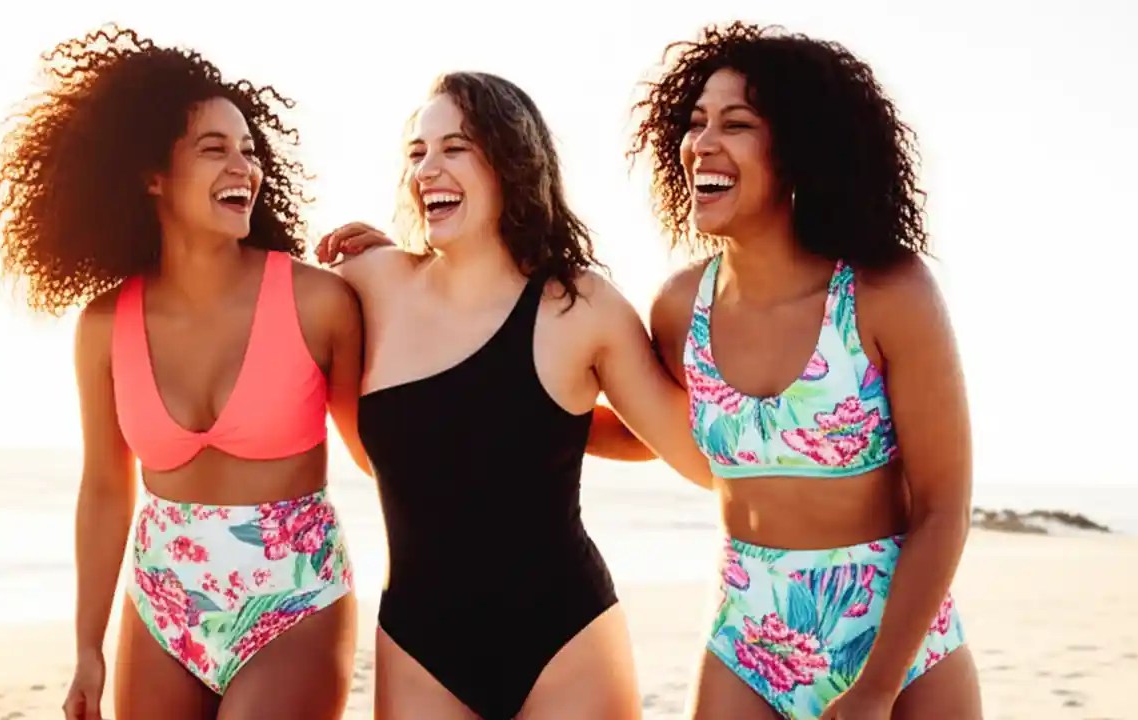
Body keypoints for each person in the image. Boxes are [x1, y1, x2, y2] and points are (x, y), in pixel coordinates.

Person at [0, 25, 365, 720]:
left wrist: (398, 278)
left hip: (294, 598)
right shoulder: (105, 325)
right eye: (214, 148)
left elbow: (383, 459)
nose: (243, 167)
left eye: (249, 150)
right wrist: (88, 648)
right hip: (163, 602)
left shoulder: (319, 303)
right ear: (151, 176)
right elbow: (106, 488)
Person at [315, 71, 710, 719]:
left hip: (565, 639)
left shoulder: (579, 307)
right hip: (419, 646)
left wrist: (550, 419)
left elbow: (694, 453)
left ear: (511, 162)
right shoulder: (367, 283)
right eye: (417, 152)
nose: (428, 169)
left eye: (456, 147)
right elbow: (383, 451)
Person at [624, 20, 983, 720]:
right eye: (695, 123)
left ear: (800, 149)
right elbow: (662, 429)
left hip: (896, 639)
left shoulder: (886, 293)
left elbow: (944, 507)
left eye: (736, 124)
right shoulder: (679, 308)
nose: (702, 143)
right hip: (748, 633)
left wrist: (876, 688)